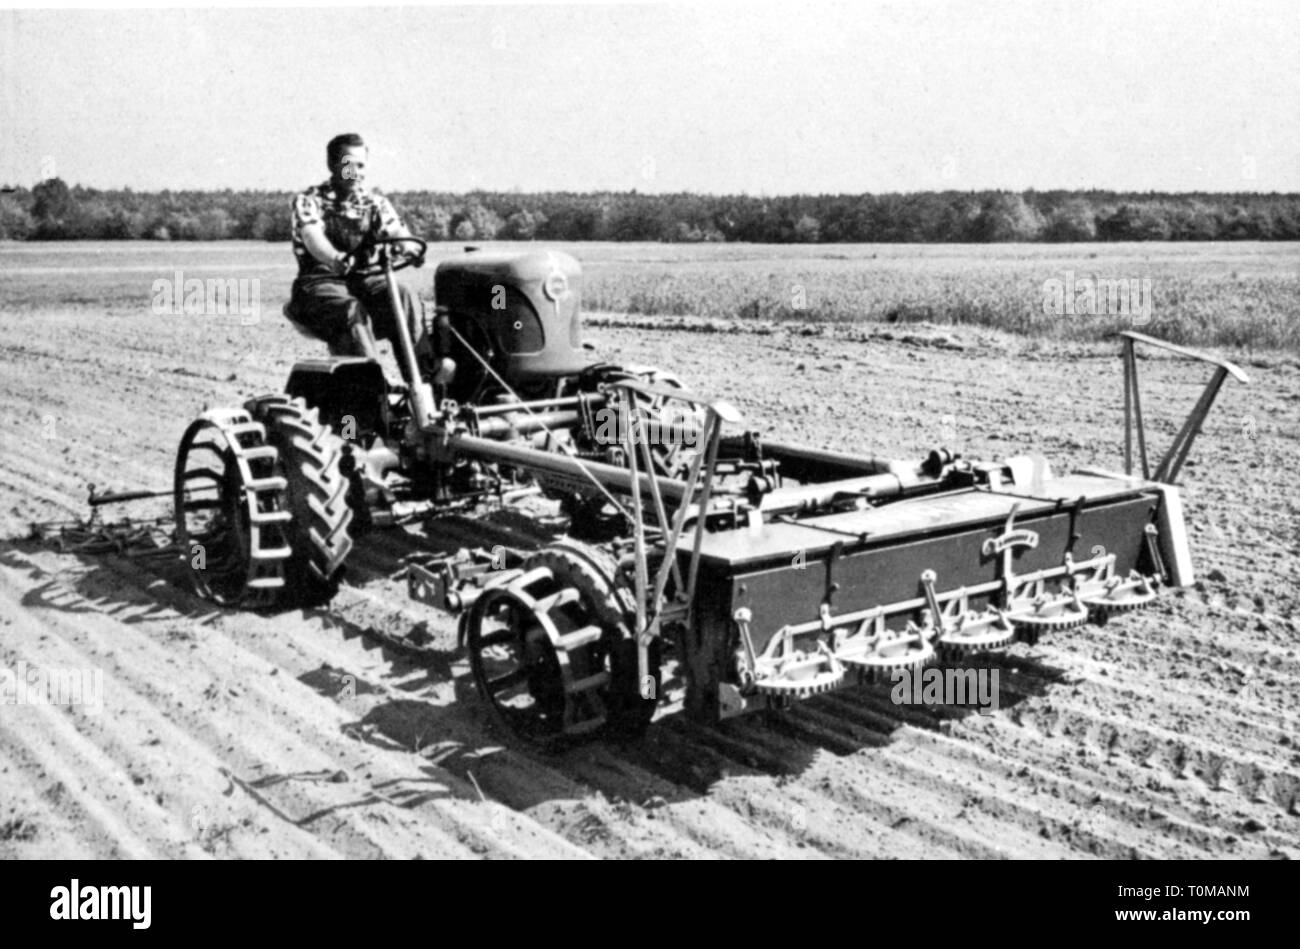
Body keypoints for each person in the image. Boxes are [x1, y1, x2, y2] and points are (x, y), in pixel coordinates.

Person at [288, 133, 430, 381]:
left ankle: (425, 382)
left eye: (361, 165)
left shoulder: (375, 203)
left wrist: (409, 247)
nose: (356, 172)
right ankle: (372, 386)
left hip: (364, 281)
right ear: (332, 166)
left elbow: (395, 230)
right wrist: (333, 258)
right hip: (320, 285)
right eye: (348, 165)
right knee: (352, 310)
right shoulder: (309, 201)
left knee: (404, 294)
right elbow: (312, 236)